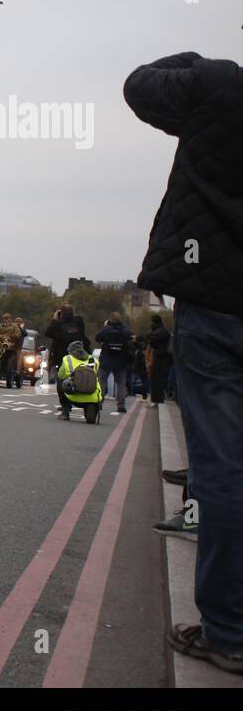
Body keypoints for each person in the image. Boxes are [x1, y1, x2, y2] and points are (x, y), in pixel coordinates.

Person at [125, 47, 243, 673]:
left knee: (222, 468)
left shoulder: (217, 87)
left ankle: (228, 630)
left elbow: (138, 84)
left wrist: (195, 62)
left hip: (216, 305)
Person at [95, 311, 133, 414]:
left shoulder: (106, 329)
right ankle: (121, 405)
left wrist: (105, 326)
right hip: (121, 361)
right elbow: (130, 338)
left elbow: (97, 337)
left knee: (102, 382)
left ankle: (99, 403)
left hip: (106, 360)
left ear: (110, 320)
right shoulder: (124, 330)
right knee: (121, 383)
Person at [56, 340, 102, 421]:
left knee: (60, 381)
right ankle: (92, 409)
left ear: (70, 351)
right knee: (96, 381)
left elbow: (61, 375)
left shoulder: (67, 359)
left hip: (73, 394)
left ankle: (65, 411)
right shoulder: (94, 360)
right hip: (92, 395)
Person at [146, 314, 172, 405]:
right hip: (165, 358)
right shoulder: (165, 331)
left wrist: (150, 336)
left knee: (155, 379)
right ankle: (159, 398)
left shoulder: (158, 332)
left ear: (155, 323)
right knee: (161, 379)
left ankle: (156, 400)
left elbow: (152, 343)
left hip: (159, 357)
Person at [0, 312, 22, 379]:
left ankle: (15, 370)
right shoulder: (0, 326)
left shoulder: (14, 326)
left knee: (13, 357)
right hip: (1, 344)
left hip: (11, 344)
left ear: (10, 319)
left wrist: (10, 337)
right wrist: (2, 337)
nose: (5, 319)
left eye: (7, 318)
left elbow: (18, 334)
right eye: (4, 318)